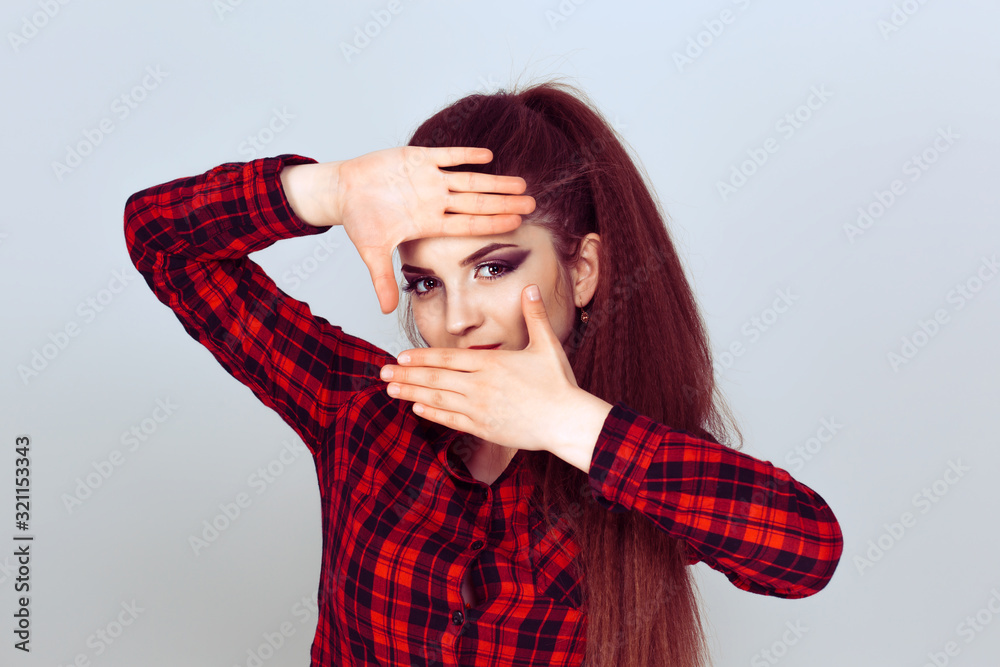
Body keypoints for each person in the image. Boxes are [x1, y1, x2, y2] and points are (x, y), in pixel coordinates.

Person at [124, 80, 843, 667]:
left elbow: (806, 551)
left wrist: (565, 422)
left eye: (493, 268)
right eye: (426, 283)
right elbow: (160, 240)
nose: (458, 317)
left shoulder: (633, 460)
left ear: (583, 271)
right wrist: (330, 191)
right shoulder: (361, 409)